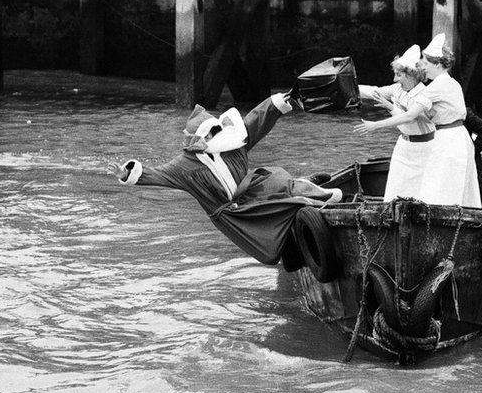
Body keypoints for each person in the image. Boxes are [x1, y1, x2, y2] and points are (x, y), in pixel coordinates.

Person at [108, 92, 342, 265]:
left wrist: (282, 101)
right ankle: (303, 209)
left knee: (279, 180)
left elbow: (257, 118)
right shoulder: (183, 166)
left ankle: (321, 194)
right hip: (230, 213)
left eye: (198, 137)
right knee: (269, 248)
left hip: (249, 190)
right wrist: (127, 174)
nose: (189, 143)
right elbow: (156, 175)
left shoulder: (232, 141)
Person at [352, 44, 435, 201]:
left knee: (421, 191)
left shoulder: (425, 94)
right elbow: (373, 91)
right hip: (404, 145)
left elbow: (409, 118)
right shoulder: (397, 89)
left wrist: (377, 122)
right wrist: (347, 87)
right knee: (396, 186)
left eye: (398, 75)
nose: (395, 79)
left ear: (411, 75)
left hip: (424, 148)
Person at [415, 34, 482, 207]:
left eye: (426, 62)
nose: (424, 67)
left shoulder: (439, 85)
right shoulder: (453, 83)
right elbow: (438, 114)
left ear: (437, 64)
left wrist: (378, 123)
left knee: (443, 184)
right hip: (456, 138)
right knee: (452, 184)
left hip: (449, 140)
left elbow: (412, 112)